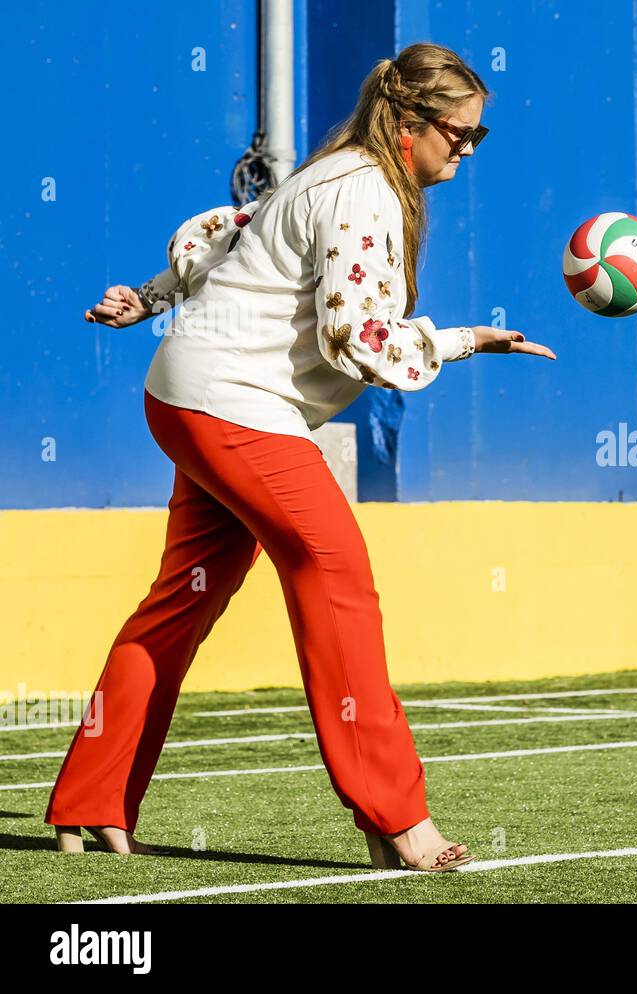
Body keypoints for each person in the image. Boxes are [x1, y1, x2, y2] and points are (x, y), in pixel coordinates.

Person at [51, 42, 554, 871]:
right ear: (406, 123)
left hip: (191, 394)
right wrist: (465, 340)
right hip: (233, 405)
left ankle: (89, 803)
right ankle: (395, 817)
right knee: (337, 572)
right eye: (456, 131)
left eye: (478, 134)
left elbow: (225, 237)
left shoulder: (335, 171)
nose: (467, 146)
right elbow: (356, 335)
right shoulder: (363, 191)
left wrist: (148, 298)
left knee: (185, 598)